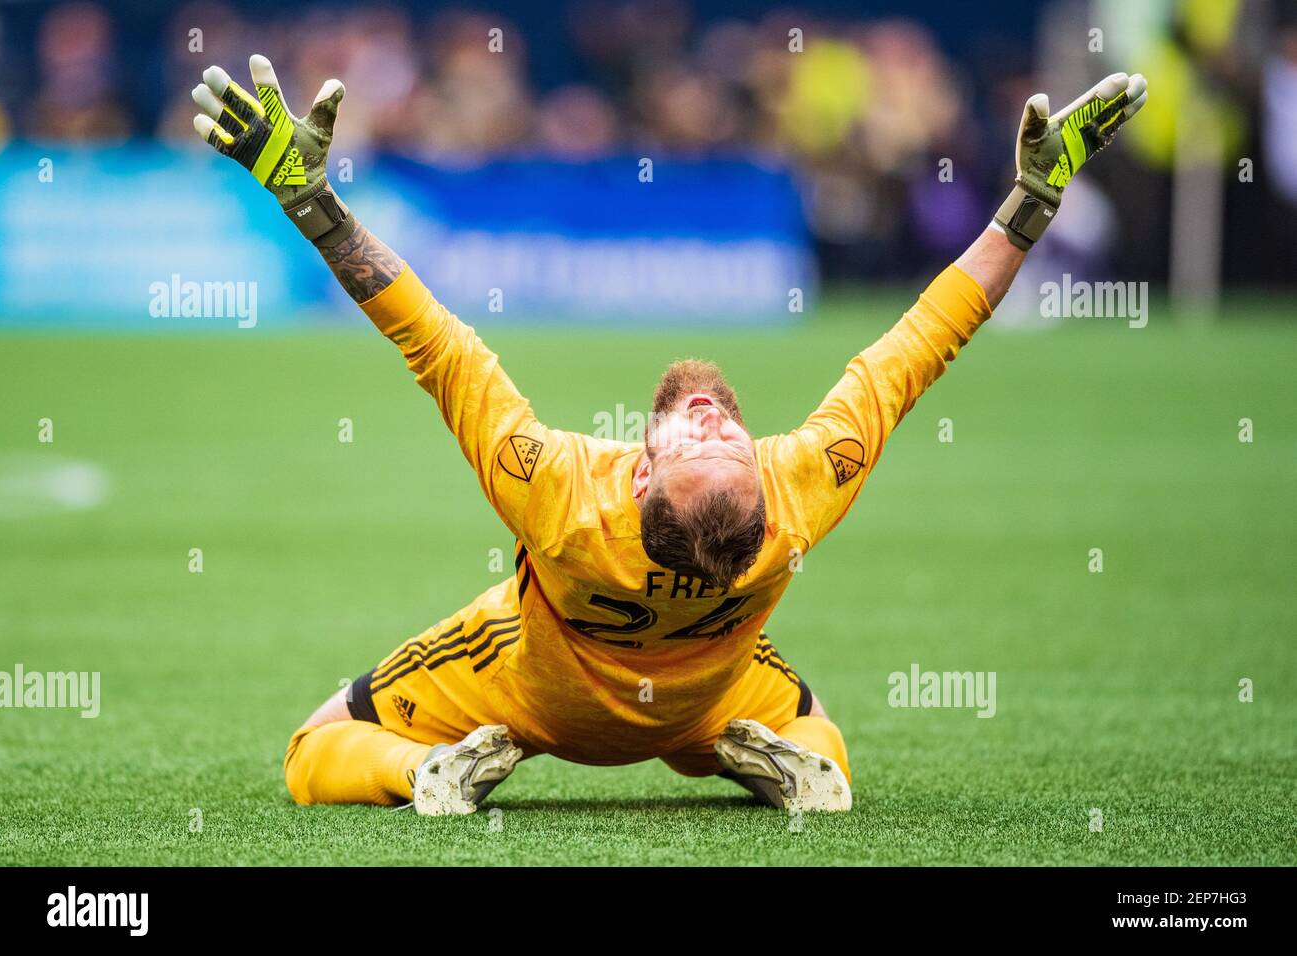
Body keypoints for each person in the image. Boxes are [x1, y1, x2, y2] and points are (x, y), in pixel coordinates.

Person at [191, 55, 1146, 814]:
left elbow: (433, 342)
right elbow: (917, 349)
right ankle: (767, 765)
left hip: (530, 693)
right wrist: (1029, 207)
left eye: (702, 440)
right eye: (729, 436)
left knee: (314, 750)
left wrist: (312, 204)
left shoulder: (561, 494)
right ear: (762, 483)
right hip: (705, 700)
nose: (715, 418)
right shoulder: (795, 493)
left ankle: (428, 776)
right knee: (825, 744)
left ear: (642, 476)